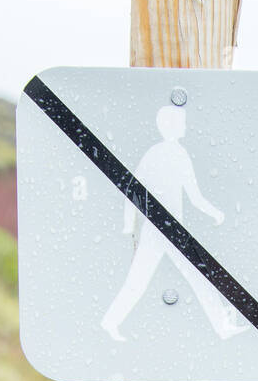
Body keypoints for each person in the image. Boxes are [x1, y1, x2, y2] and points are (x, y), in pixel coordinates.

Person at [100, 94, 249, 341]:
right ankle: (109, 323)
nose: (185, 127)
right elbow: (134, 190)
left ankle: (110, 323)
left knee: (178, 278)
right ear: (170, 125)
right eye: (181, 122)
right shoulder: (166, 154)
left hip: (169, 231)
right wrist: (128, 225)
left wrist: (216, 213)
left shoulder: (170, 153)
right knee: (159, 279)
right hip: (165, 231)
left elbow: (187, 195)